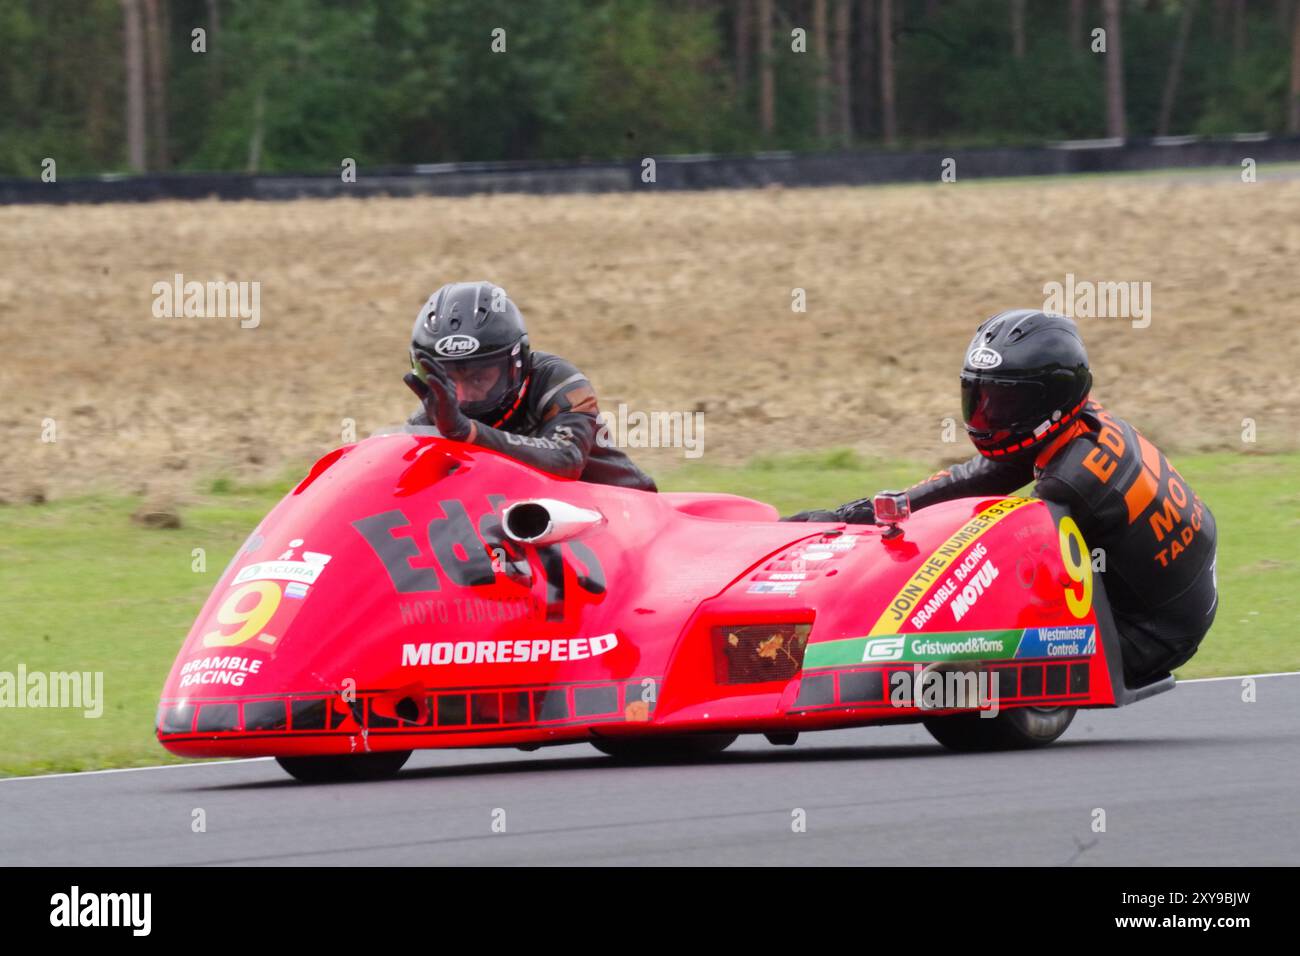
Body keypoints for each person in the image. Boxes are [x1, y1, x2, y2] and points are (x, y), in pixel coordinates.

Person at [786, 310, 1217, 686]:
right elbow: (975, 480)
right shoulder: (1073, 424)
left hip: (1150, 632)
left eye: (1006, 400)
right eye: (982, 395)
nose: (988, 414)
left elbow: (991, 543)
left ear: (1050, 399)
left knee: (956, 656)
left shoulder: (1071, 482)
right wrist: (859, 515)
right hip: (1166, 593)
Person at [403, 280, 657, 492]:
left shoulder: (559, 383)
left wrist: (467, 432)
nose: (464, 397)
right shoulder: (435, 416)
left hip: (622, 521)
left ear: (518, 363)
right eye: (448, 380)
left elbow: (566, 459)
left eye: (478, 378)